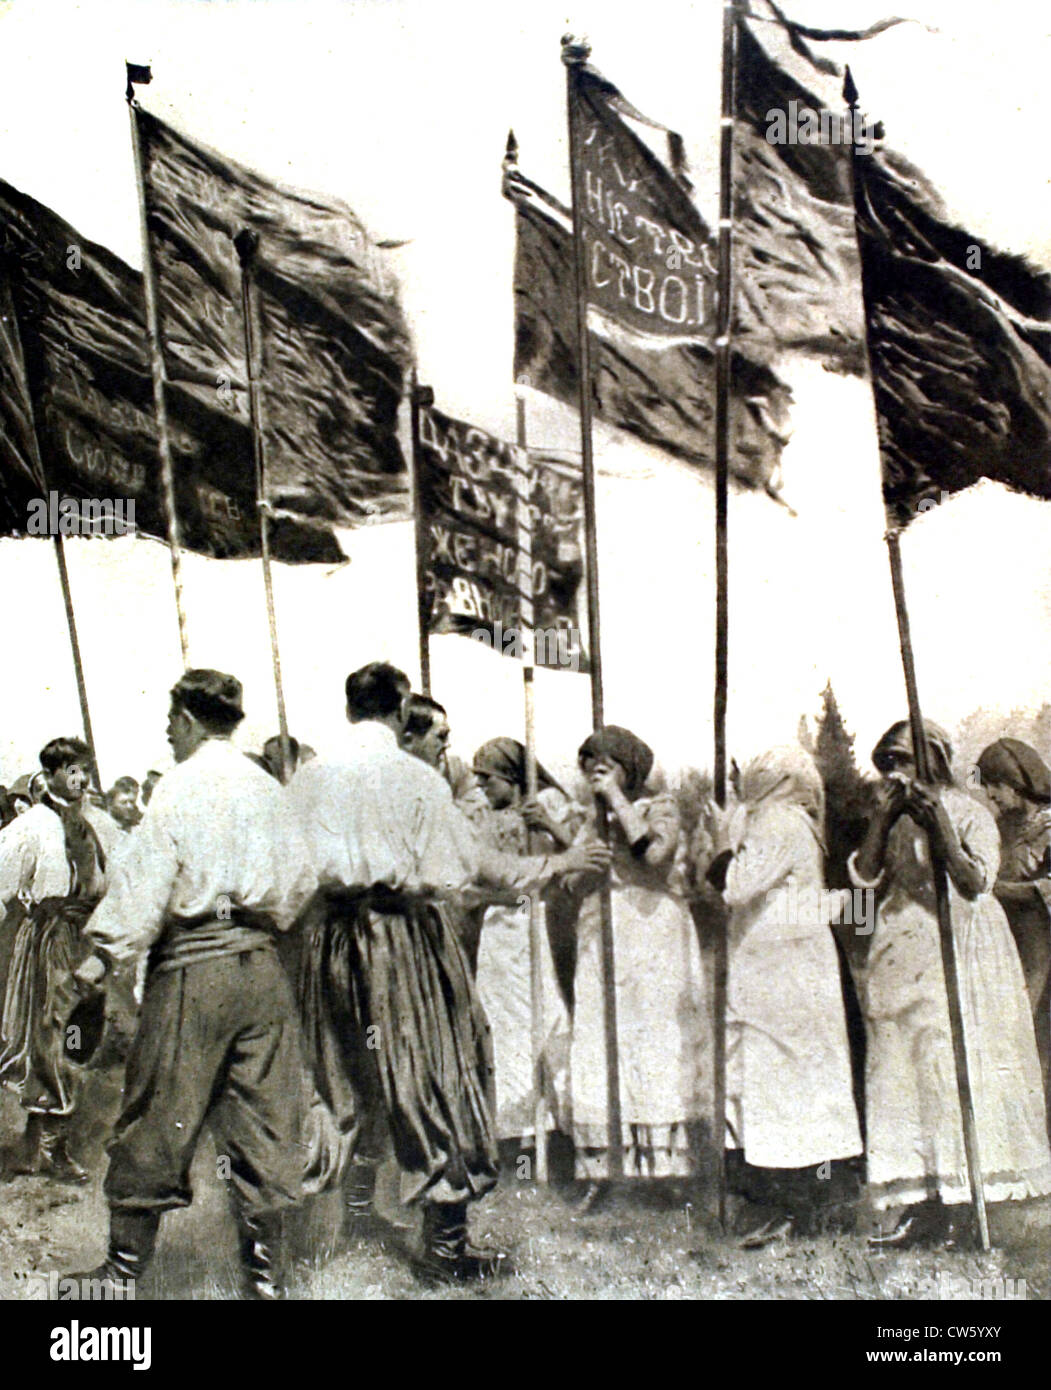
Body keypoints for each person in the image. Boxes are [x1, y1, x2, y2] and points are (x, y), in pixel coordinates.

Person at [289, 662, 610, 1282]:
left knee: (346, 1078)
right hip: (399, 937)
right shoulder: (415, 780)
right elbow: (462, 869)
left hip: (328, 944)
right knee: (436, 1073)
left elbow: (288, 872)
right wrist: (559, 861)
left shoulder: (309, 778)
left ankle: (340, 1222)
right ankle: (444, 1249)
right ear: (400, 706)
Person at [66, 670, 317, 1299]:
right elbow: (299, 883)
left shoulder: (176, 788)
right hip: (261, 971)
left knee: (158, 1113)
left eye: (170, 719)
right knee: (264, 1119)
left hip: (194, 969)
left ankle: (121, 1276)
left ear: (188, 721)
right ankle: (268, 1283)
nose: (166, 730)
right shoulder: (268, 787)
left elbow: (144, 890)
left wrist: (99, 961)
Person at [851, 719, 1051, 1247]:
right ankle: (919, 1201)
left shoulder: (968, 812)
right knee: (902, 1069)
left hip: (960, 945)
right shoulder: (889, 816)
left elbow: (973, 881)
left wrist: (937, 821)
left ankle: (963, 1206)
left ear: (932, 759)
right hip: (903, 948)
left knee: (950, 1066)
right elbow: (865, 878)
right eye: (888, 763)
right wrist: (884, 818)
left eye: (905, 760)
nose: (897, 773)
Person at [706, 746, 863, 1247]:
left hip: (782, 972)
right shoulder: (784, 821)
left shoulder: (776, 821)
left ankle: (796, 1207)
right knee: (789, 1082)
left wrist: (718, 843)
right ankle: (808, 1203)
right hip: (779, 964)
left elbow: (735, 888)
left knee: (784, 1083)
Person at [565, 726, 709, 1198]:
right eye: (590, 771)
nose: (595, 777)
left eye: (605, 769)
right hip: (604, 932)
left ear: (628, 769)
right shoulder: (592, 819)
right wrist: (582, 866)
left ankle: (665, 1170)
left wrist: (617, 803)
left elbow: (656, 856)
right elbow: (571, 881)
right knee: (600, 1039)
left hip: (651, 930)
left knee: (654, 1038)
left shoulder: (659, 806)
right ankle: (604, 1167)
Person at [0, 737, 123, 1182]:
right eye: (70, 770)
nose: (80, 778)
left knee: (81, 1036)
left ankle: (49, 1140)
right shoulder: (30, 826)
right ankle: (49, 1148)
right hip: (49, 941)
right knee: (53, 1034)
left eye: (83, 769)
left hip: (87, 936)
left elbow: (124, 873)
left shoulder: (99, 823)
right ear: (50, 775)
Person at [469, 738, 581, 1152]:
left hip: (544, 925)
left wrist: (548, 826)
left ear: (512, 777)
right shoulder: (484, 816)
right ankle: (519, 1131)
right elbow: (481, 879)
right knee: (505, 1026)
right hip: (501, 930)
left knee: (551, 1019)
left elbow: (579, 857)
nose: (483, 788)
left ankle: (568, 1124)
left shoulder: (551, 803)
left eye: (489, 780)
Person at [976, 738, 1051, 1125]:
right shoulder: (999, 828)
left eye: (995, 784)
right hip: (1007, 942)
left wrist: (995, 889)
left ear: (1017, 780)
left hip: (1044, 944)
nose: (990, 795)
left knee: (1040, 1034)